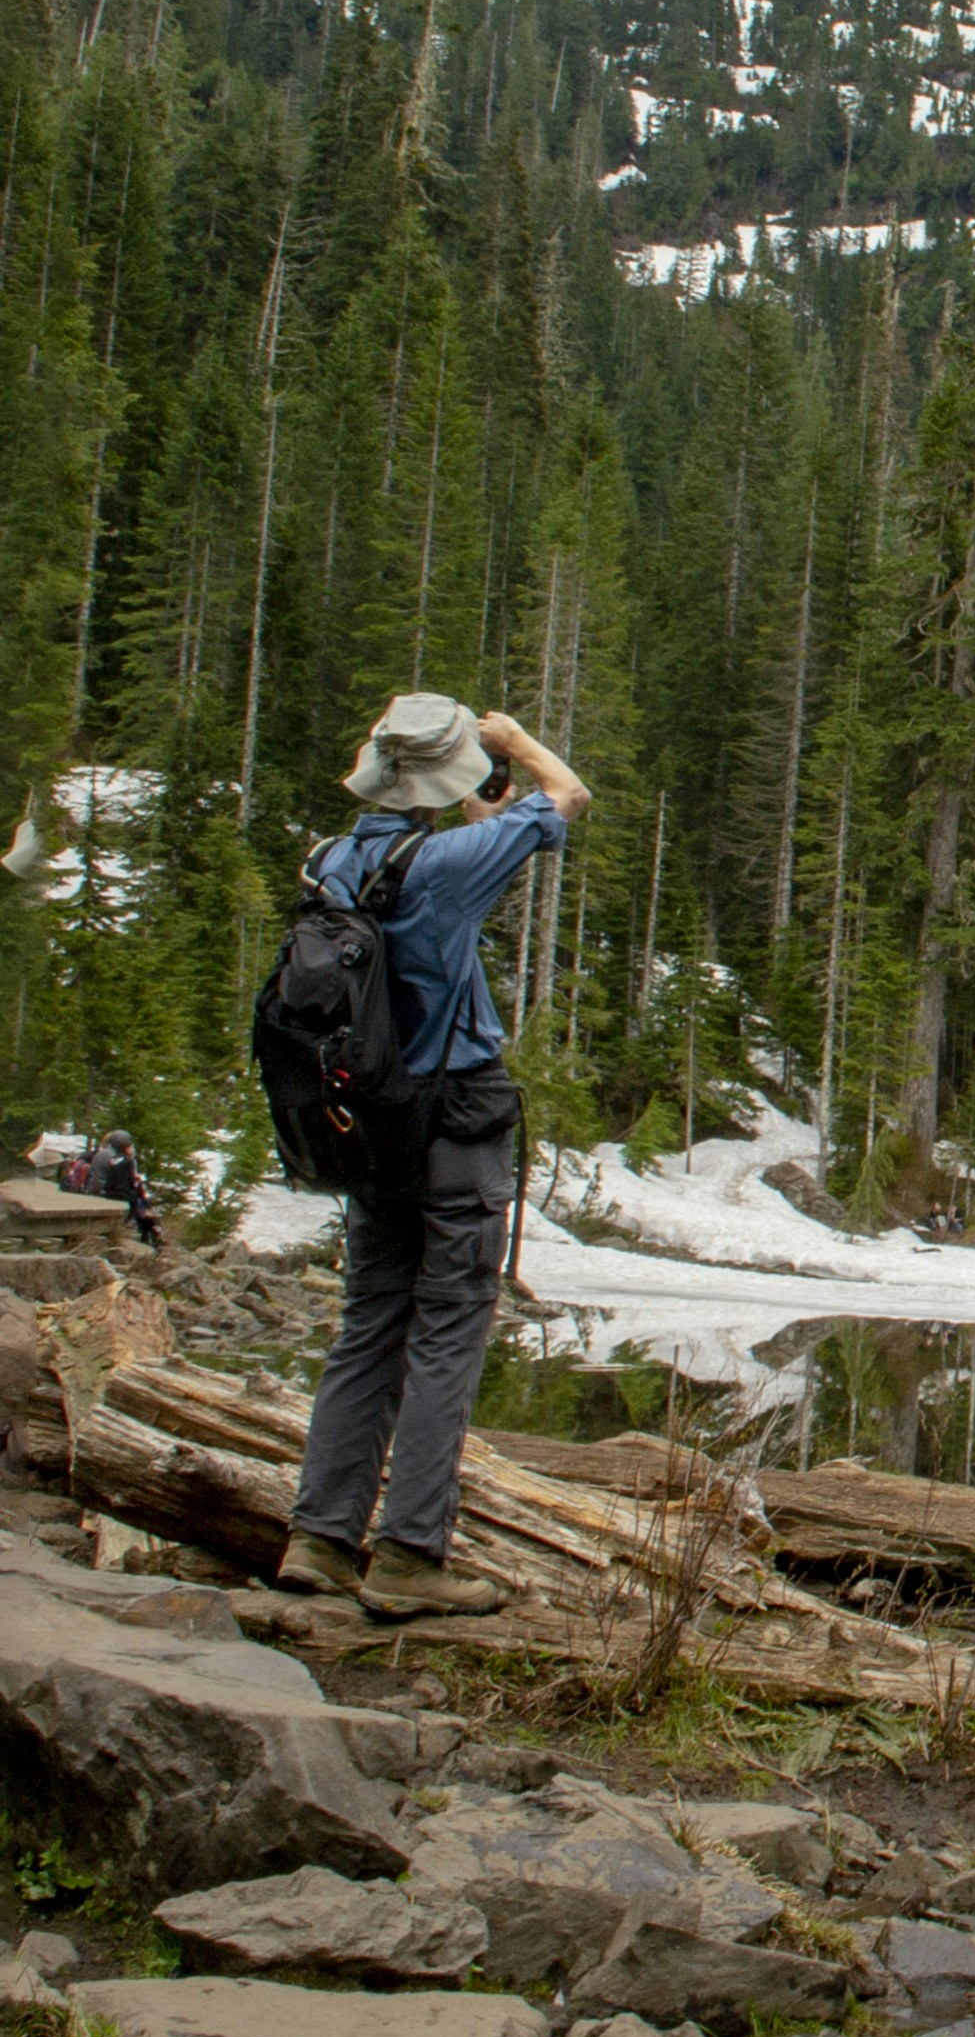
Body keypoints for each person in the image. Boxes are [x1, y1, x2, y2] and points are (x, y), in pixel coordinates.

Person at [280, 692, 588, 1618]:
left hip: (374, 1124)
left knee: (369, 1322)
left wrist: (473, 812)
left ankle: (319, 1538)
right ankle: (411, 1554)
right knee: (449, 1330)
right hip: (457, 1118)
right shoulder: (453, 862)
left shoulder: (330, 862)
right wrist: (516, 741)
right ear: (446, 774)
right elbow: (568, 796)